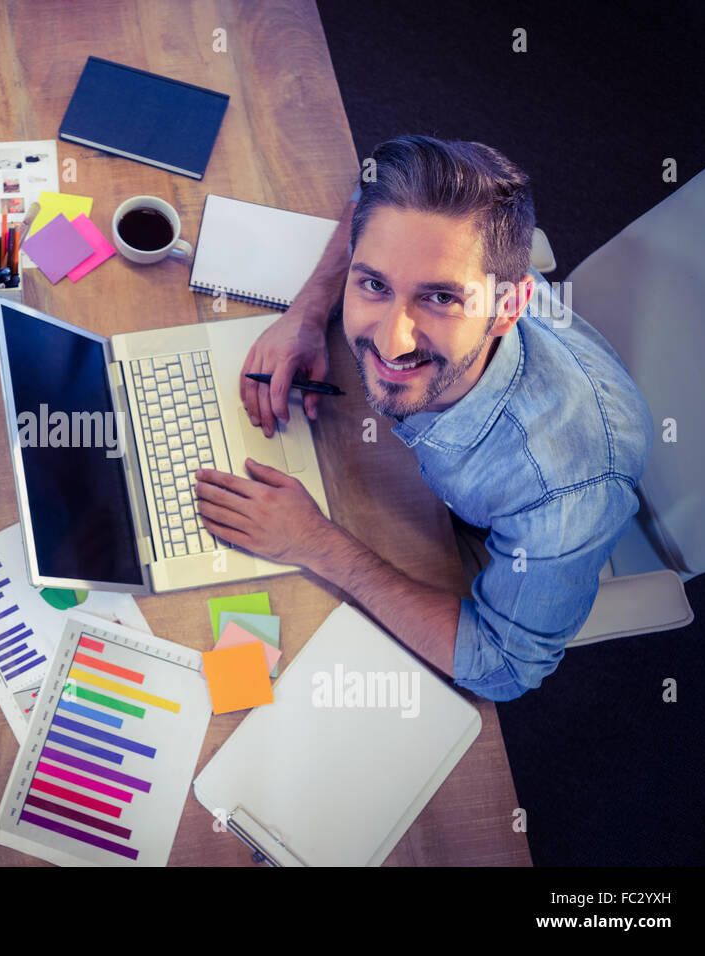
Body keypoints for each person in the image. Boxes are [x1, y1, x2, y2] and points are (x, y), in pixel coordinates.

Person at [198, 135, 653, 700]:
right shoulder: (433, 231)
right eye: (374, 284)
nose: (391, 341)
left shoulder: (563, 494)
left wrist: (315, 543)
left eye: (439, 298)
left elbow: (503, 668)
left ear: (508, 306)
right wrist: (308, 313)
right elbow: (366, 200)